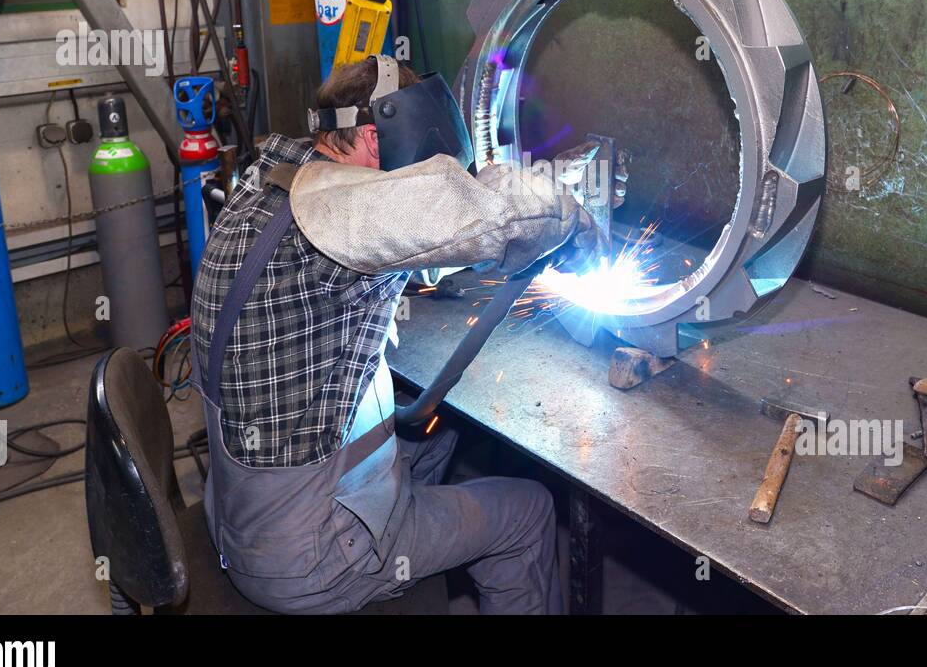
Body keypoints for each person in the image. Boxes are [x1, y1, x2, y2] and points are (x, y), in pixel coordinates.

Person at [190, 55, 617, 614]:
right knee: (527, 510)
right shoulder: (342, 214)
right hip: (308, 557)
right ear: (374, 137)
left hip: (238, 514)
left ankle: (414, 526)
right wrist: (574, 217)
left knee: (437, 426)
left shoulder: (267, 185)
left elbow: (412, 243)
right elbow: (499, 216)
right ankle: (390, 552)